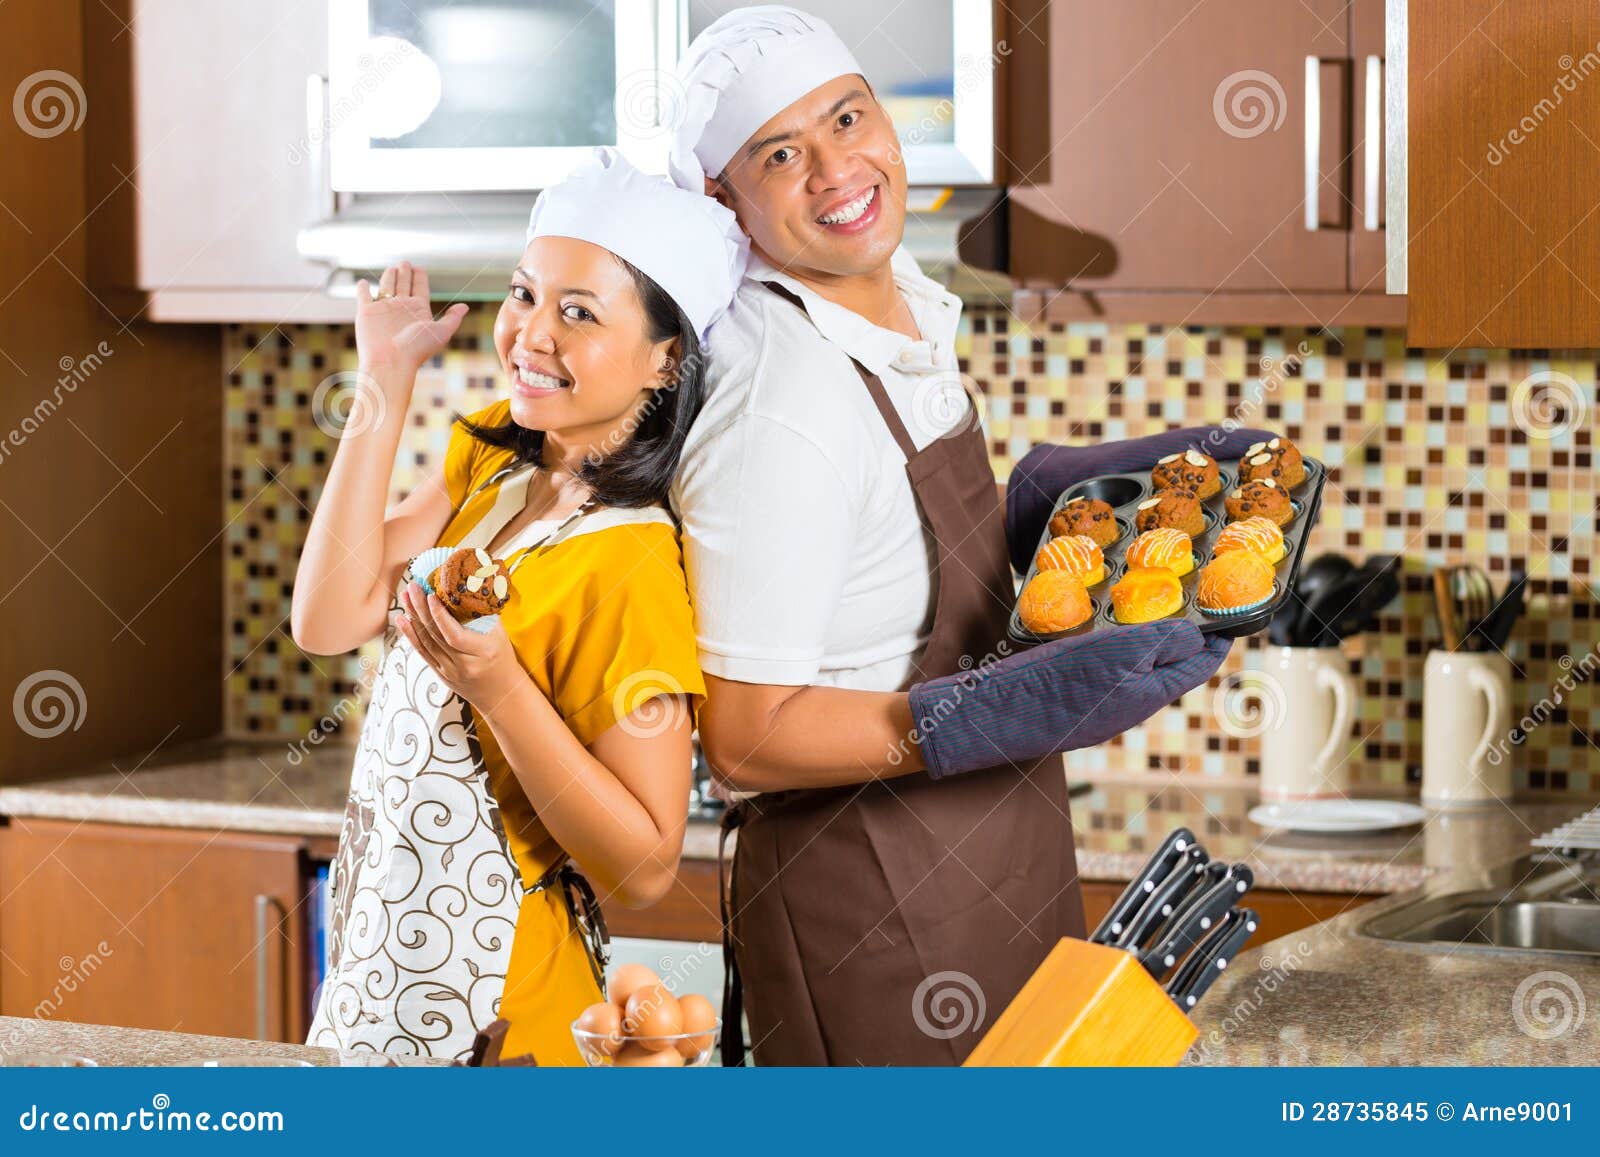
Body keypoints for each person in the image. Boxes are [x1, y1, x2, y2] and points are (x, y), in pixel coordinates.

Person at [666, 6, 1271, 1066]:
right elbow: (745, 735)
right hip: (869, 901)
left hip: (996, 856)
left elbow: (884, 569)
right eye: (780, 154)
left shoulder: (886, 304)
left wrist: (1041, 508)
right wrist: (964, 719)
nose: (836, 169)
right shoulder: (780, 404)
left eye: (847, 118)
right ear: (727, 200)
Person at [292, 150, 747, 1062]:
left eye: (577, 312)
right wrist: (383, 378)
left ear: (665, 358)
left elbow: (649, 862)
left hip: (501, 1020)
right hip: (375, 977)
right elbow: (328, 618)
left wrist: (498, 685)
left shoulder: (631, 562)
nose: (530, 335)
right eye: (524, 294)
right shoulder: (492, 474)